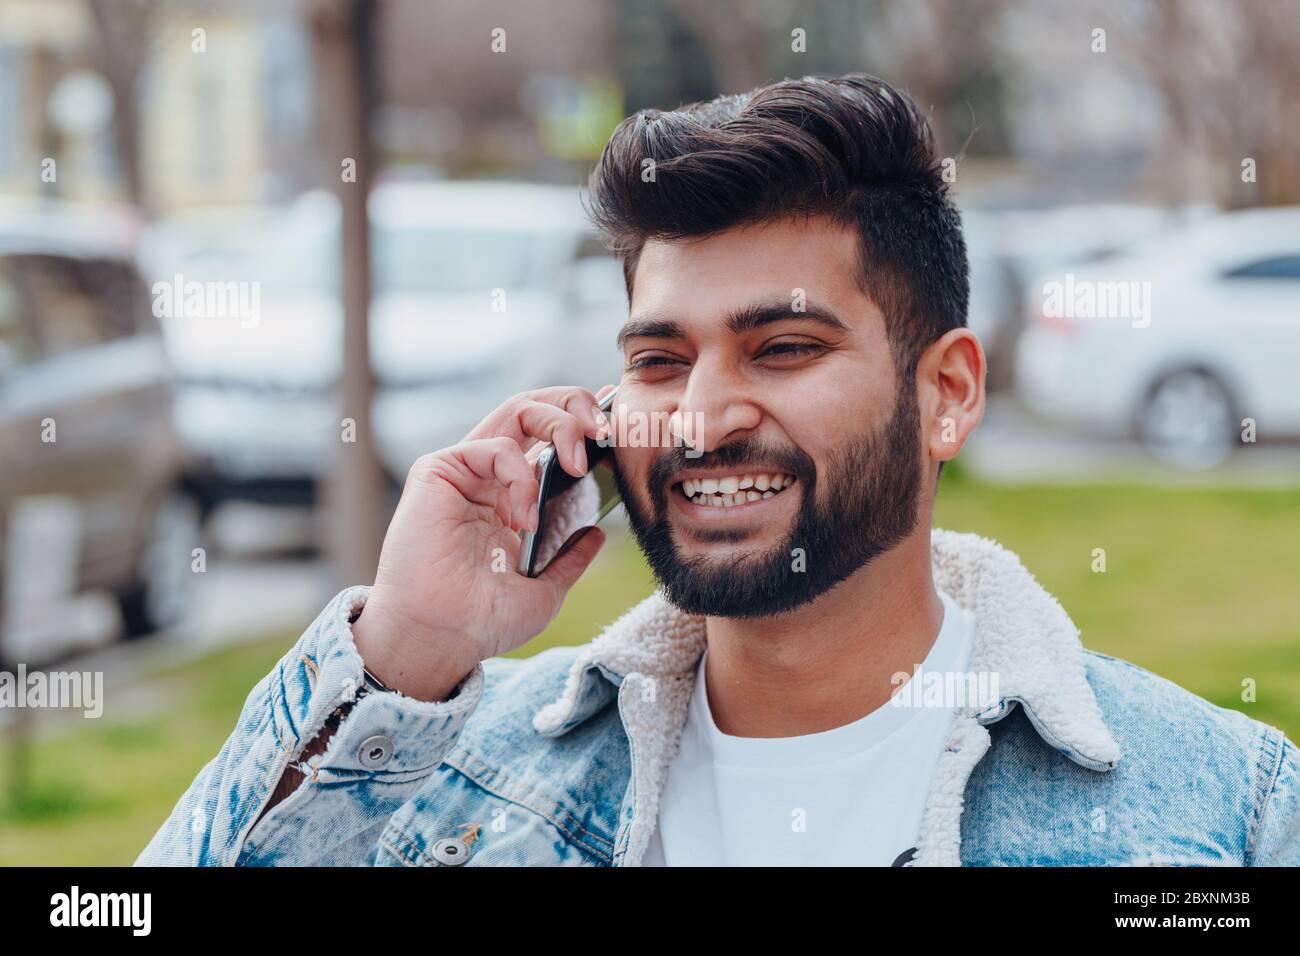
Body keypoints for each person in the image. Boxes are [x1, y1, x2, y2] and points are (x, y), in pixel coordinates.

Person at [138, 73, 1300, 867]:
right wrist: (407, 645)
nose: (698, 419)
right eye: (657, 358)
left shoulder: (1219, 807)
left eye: (782, 347)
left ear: (945, 391)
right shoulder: (462, 775)